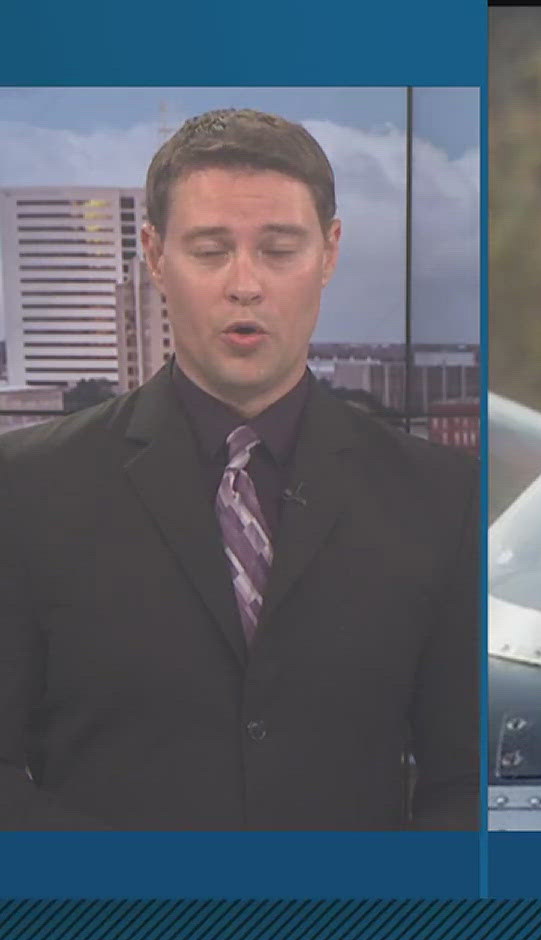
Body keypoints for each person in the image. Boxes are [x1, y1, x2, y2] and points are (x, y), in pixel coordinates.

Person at [0, 109, 479, 829]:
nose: (245, 284)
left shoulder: (440, 498)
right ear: (155, 255)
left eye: (279, 250)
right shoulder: (27, 489)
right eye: (211, 250)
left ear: (329, 252)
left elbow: (465, 781)